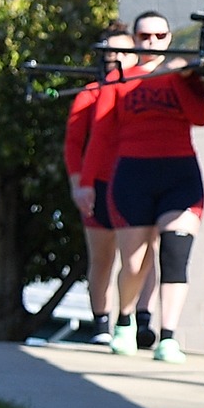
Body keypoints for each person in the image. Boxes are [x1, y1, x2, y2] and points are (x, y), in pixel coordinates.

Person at [84, 10, 204, 363]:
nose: (152, 43)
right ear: (135, 40)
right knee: (135, 262)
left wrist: (183, 76)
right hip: (133, 176)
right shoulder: (118, 80)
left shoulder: (182, 77)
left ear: (170, 38)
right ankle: (124, 321)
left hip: (179, 174)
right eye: (145, 37)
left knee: (175, 253)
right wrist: (86, 183)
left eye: (159, 36)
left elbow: (200, 116)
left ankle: (168, 336)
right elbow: (101, 135)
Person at [64, 25, 154, 344]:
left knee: (143, 253)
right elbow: (74, 144)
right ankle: (100, 323)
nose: (115, 58)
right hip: (99, 184)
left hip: (137, 180)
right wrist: (79, 185)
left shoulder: (146, 88)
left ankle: (140, 318)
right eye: (110, 52)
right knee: (102, 257)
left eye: (122, 51)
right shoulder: (90, 93)